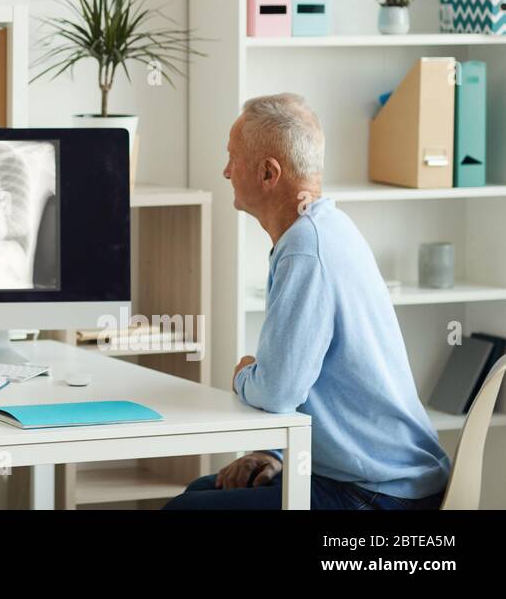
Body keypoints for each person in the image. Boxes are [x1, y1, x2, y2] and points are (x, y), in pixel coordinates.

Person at [164, 93, 450, 510]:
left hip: (376, 493)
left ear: (268, 173)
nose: (225, 171)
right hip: (362, 475)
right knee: (200, 494)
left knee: (183, 511)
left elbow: (277, 391)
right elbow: (309, 383)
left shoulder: (305, 249)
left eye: (233, 158)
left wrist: (243, 375)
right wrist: (275, 454)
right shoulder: (324, 227)